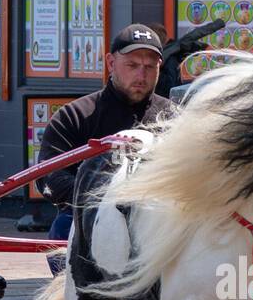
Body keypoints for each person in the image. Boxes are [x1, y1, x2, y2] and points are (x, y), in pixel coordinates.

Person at [36, 24, 173, 274]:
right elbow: (48, 179)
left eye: (150, 66)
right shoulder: (76, 115)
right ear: (111, 62)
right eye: (132, 65)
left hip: (159, 228)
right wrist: (106, 203)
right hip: (88, 225)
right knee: (64, 227)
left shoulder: (174, 118)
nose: (141, 75)